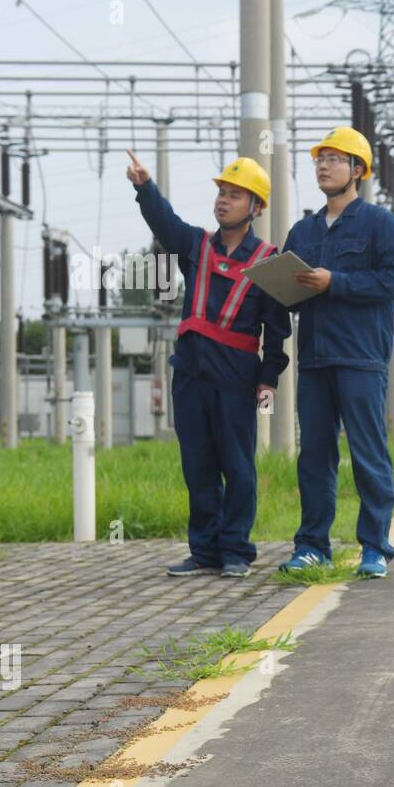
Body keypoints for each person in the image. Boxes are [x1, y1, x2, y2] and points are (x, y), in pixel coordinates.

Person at [126, 149, 291, 578]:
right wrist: (145, 187)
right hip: (190, 374)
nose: (223, 200)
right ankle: (204, 551)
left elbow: (276, 331)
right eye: (221, 192)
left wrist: (268, 378)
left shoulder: (269, 262)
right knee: (197, 464)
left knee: (237, 466)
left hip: (236, 377)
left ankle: (236, 549)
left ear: (255, 207)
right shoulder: (195, 245)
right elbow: (165, 223)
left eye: (235, 195)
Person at [278, 127, 394, 578]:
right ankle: (312, 545)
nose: (323, 166)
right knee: (314, 455)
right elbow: (285, 289)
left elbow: (392, 281)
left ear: (357, 170)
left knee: (368, 453)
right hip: (313, 359)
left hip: (360, 358)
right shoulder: (302, 230)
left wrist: (336, 281)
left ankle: (375, 547)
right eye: (319, 160)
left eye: (334, 159)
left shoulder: (379, 224)